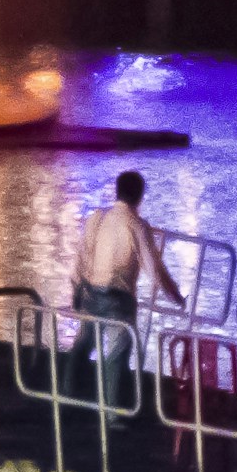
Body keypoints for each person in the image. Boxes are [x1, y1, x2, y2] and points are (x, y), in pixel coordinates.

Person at [76, 170, 185, 401]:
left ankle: (64, 391)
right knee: (118, 351)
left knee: (84, 342)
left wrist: (76, 287)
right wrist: (175, 295)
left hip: (90, 292)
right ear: (139, 196)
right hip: (118, 299)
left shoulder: (97, 217)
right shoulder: (137, 225)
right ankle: (111, 412)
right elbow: (154, 270)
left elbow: (83, 256)